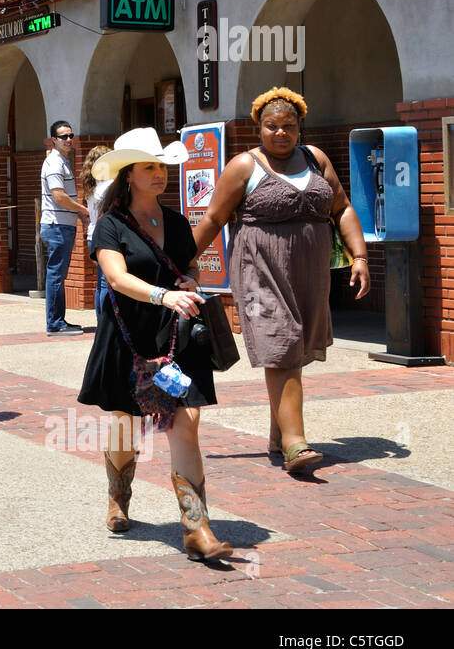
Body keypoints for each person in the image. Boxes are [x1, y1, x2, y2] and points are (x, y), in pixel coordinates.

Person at [190, 87, 369, 477]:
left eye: (289, 126)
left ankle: (277, 434)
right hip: (258, 270)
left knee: (297, 346)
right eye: (272, 126)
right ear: (259, 127)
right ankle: (295, 443)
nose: (281, 133)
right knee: (281, 341)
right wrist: (179, 263)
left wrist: (360, 256)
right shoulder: (243, 166)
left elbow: (341, 208)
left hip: (309, 272)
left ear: (299, 126)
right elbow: (213, 220)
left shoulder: (316, 159)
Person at [79, 128, 231, 562]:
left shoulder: (178, 222)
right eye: (149, 167)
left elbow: (190, 267)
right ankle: (118, 496)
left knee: (186, 421)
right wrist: (163, 294)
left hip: (177, 335)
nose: (159, 174)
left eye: (162, 166)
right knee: (127, 422)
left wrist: (188, 282)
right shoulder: (110, 225)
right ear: (128, 174)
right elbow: (116, 278)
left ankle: (196, 526)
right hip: (129, 333)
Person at [40, 120, 88, 335]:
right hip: (57, 226)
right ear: (53, 140)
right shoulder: (54, 162)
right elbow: (59, 196)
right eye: (63, 137)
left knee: (57, 274)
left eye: (71, 135)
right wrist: (82, 210)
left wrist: (78, 214)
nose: (69, 140)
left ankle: (59, 321)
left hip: (61, 225)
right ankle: (55, 324)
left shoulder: (62, 161)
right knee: (56, 275)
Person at [80, 145, 112, 316]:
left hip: (93, 234)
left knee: (100, 282)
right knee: (106, 282)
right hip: (104, 236)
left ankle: (101, 323)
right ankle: (105, 322)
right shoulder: (108, 185)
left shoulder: (91, 185)